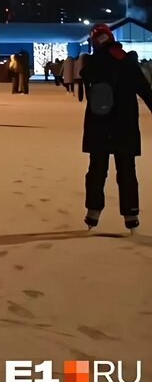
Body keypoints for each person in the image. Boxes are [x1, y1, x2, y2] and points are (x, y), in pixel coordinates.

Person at [79, 23, 152, 232]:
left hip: (99, 123)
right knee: (127, 170)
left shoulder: (93, 62)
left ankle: (92, 213)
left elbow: (85, 77)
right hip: (125, 124)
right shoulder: (127, 61)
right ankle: (131, 215)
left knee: (96, 169)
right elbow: (145, 90)